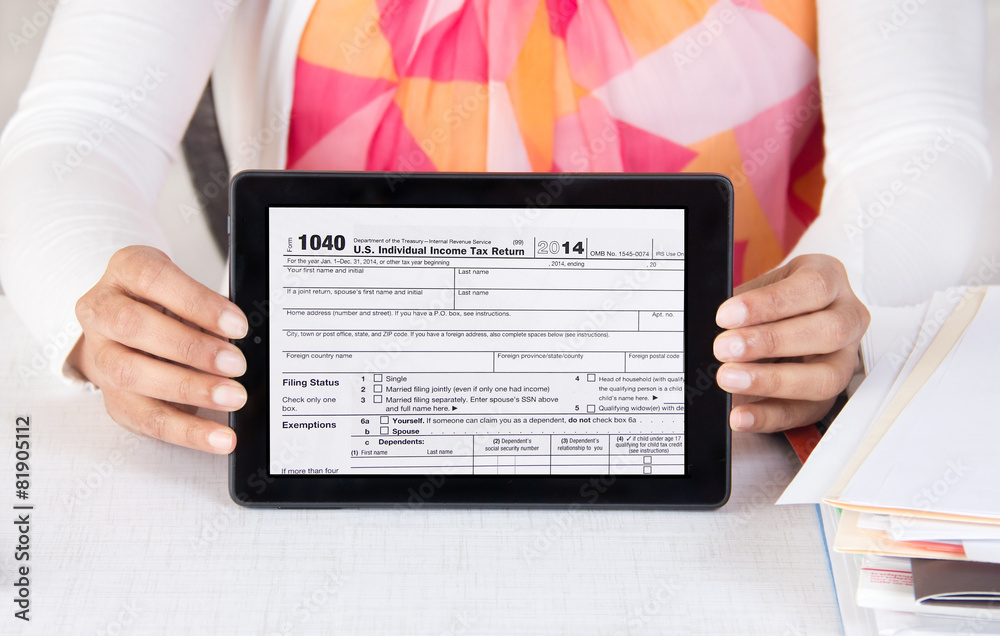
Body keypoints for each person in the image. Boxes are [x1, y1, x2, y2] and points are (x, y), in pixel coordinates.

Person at [0, 0, 989, 454]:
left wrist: (849, 289)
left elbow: (928, 146)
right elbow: (84, 128)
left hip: (740, 441)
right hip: (348, 442)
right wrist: (93, 298)